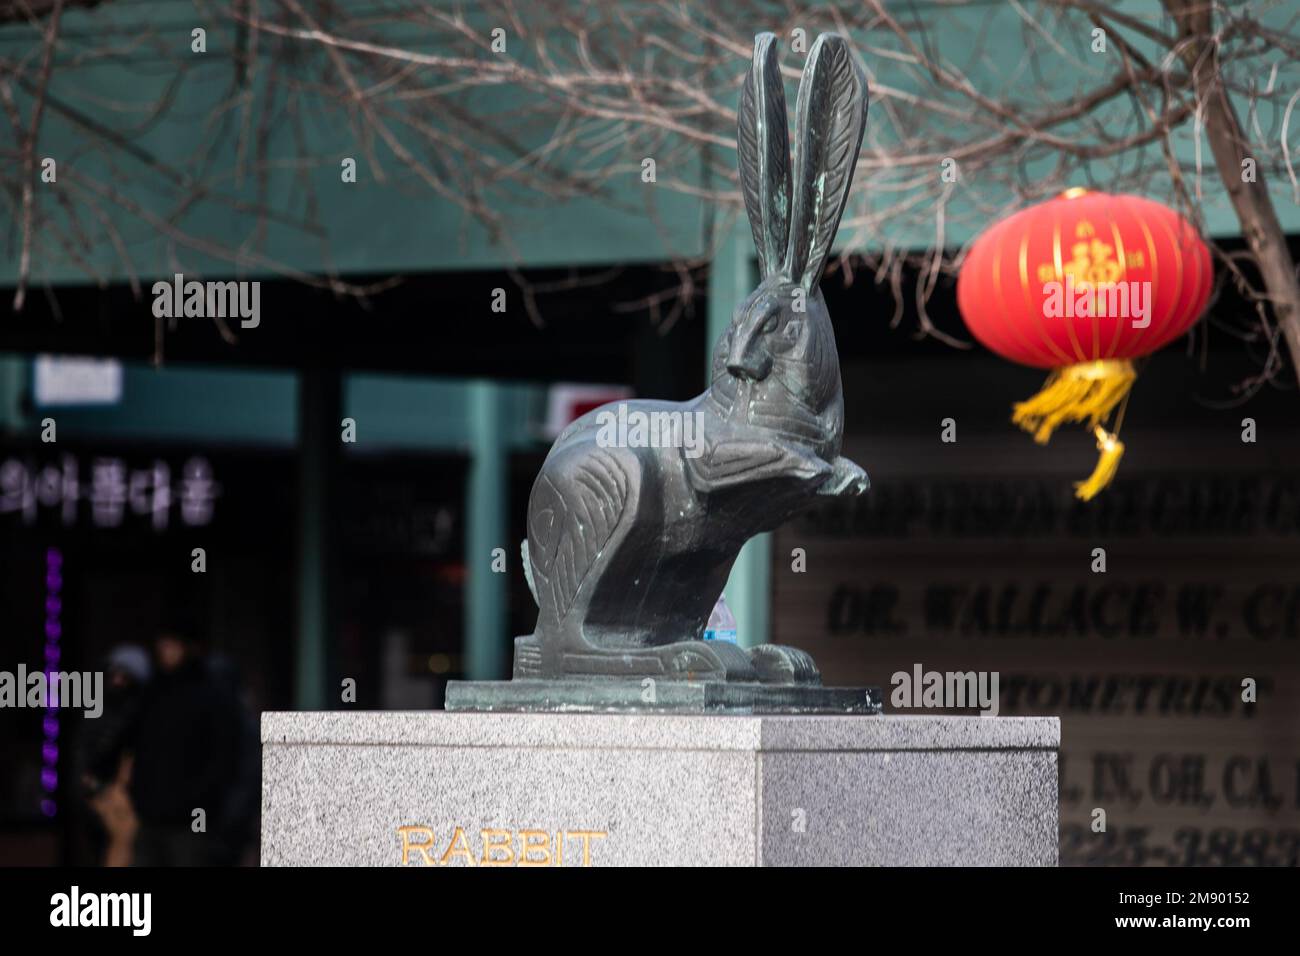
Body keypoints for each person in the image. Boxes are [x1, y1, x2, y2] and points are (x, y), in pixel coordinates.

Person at [125, 629, 252, 866]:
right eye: (162, 644)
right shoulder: (154, 693)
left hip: (192, 817)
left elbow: (226, 760)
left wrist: (204, 804)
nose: (165, 651)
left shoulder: (210, 697)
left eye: (171, 645)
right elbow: (140, 745)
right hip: (152, 814)